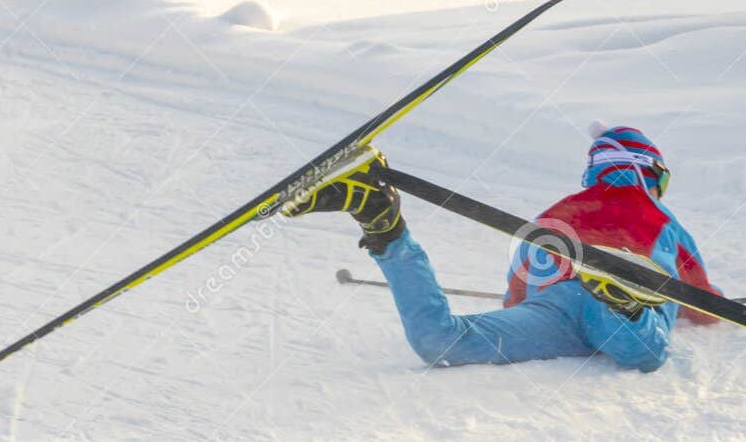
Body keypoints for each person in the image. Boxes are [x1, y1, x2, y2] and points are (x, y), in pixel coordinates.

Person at [289, 124, 719, 373]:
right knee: (644, 355)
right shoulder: (663, 221)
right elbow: (702, 305)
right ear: (652, 174)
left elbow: (520, 286)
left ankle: (382, 222)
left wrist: (517, 308)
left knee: (440, 342)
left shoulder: (556, 214)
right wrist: (697, 306)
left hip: (554, 307)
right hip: (612, 312)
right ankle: (621, 299)